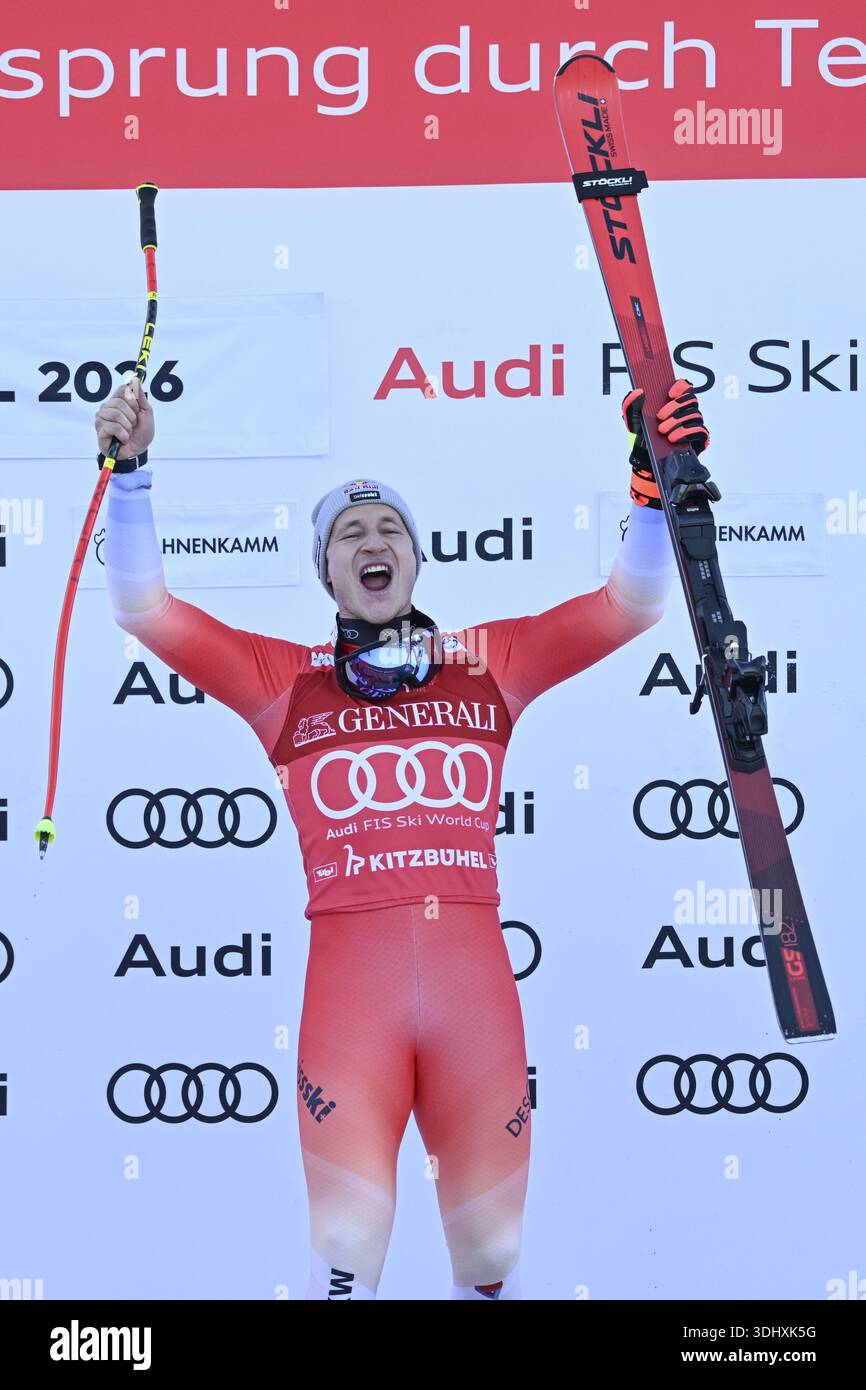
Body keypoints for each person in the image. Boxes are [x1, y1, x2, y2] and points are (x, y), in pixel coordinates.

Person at [95, 375, 707, 1300]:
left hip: (473, 1003)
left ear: (415, 563)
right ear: (328, 574)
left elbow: (631, 606)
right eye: (349, 535)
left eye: (390, 532)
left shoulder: (487, 664)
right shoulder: (284, 683)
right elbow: (145, 609)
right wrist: (130, 474)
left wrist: (651, 487)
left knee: (494, 1260)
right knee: (346, 1248)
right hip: (355, 1005)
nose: (371, 543)